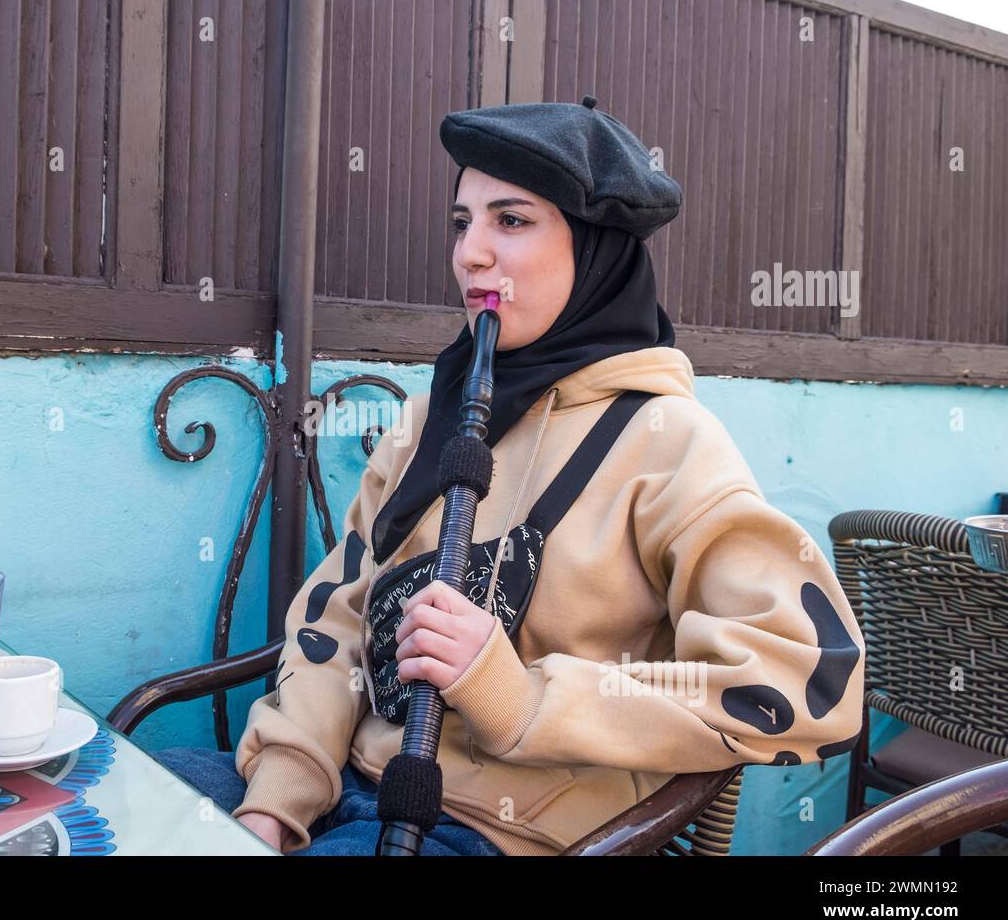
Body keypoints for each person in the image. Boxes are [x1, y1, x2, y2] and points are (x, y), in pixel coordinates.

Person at [154, 98, 865, 856]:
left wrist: (522, 697)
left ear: (594, 250)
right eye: (463, 223)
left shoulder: (667, 441)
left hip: (503, 831)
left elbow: (810, 681)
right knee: (123, 804)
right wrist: (277, 801)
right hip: (346, 787)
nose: (471, 254)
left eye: (512, 220)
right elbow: (338, 622)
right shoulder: (431, 418)